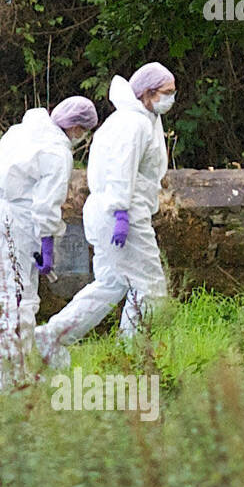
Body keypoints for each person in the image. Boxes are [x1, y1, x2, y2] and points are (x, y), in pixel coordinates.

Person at [0, 96, 98, 392]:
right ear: (76, 127)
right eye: (83, 131)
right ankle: (13, 375)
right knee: (19, 296)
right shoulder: (57, 152)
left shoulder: (20, 131)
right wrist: (47, 242)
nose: (81, 137)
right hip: (15, 219)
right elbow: (47, 205)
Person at [35, 62, 176, 370]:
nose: (171, 98)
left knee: (111, 284)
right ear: (148, 93)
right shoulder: (133, 124)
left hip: (110, 211)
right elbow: (121, 169)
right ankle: (131, 357)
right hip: (122, 213)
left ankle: (52, 335)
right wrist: (123, 212)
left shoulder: (138, 119)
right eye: (167, 93)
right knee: (150, 290)